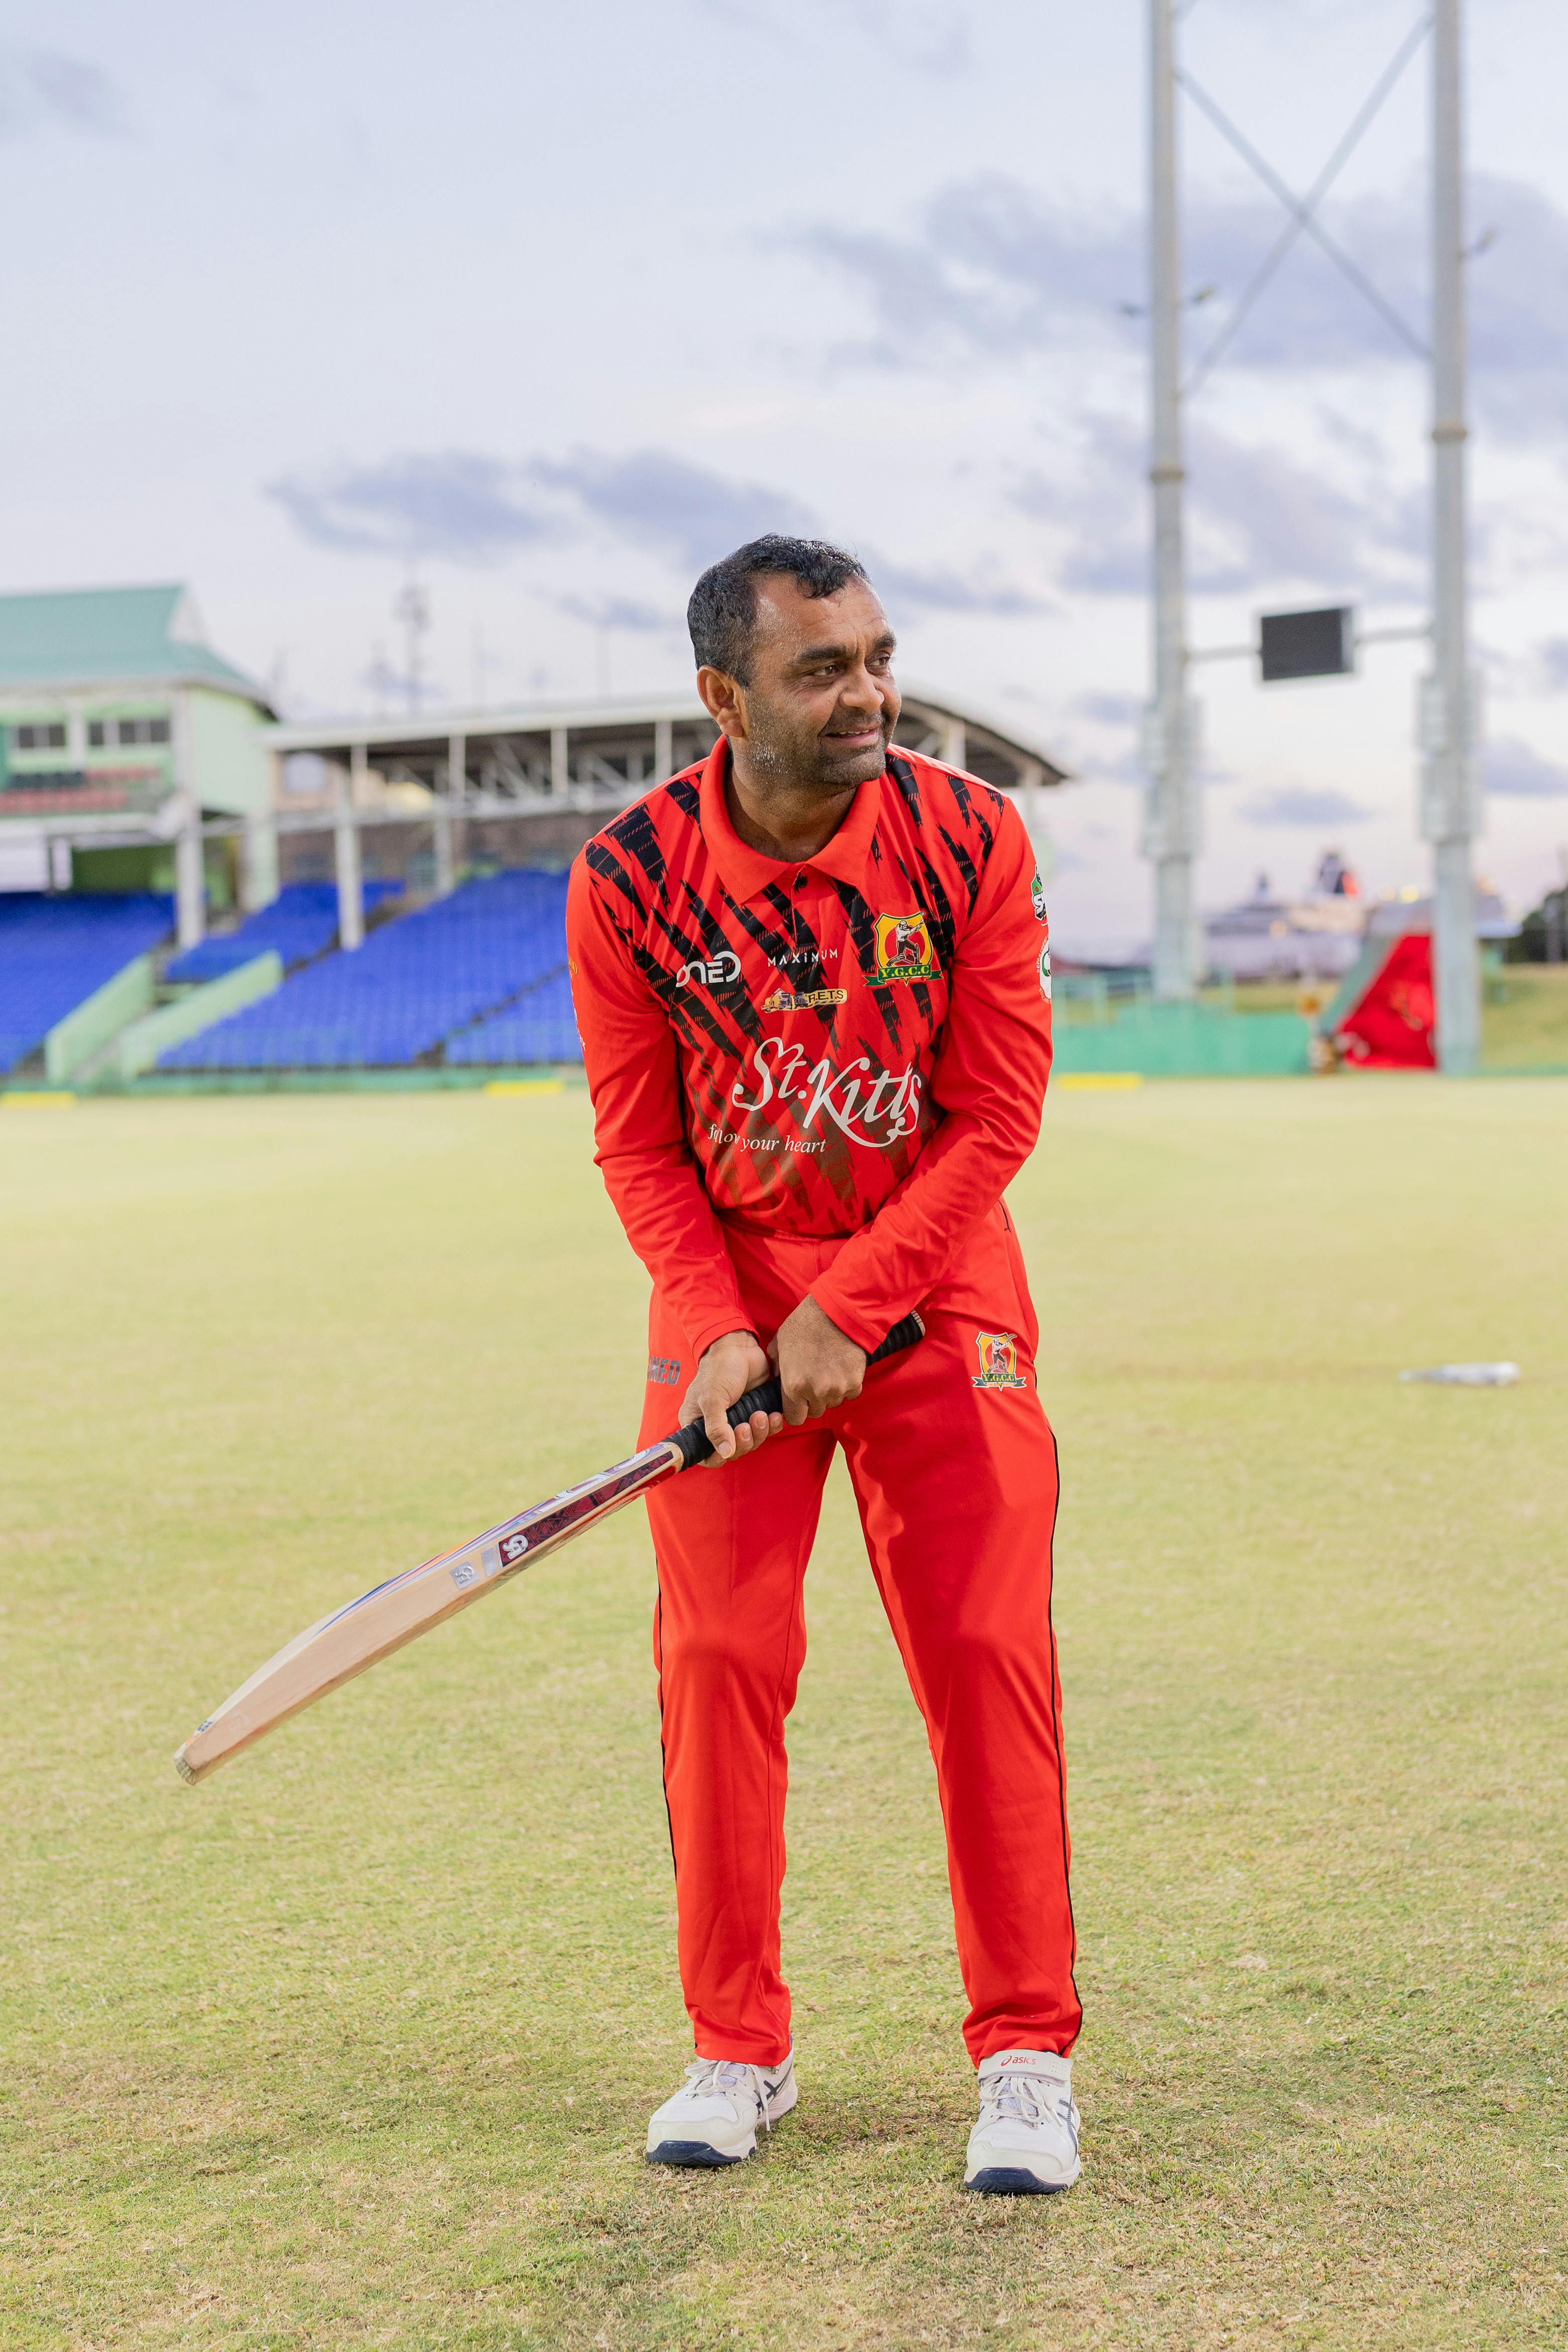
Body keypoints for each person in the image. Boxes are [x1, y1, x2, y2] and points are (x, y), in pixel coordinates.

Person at [566, 536, 1080, 2194]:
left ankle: (1020, 2053)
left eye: (875, 654)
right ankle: (737, 2043)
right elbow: (639, 1149)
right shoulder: (627, 877)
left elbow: (995, 1111)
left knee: (985, 1647)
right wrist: (721, 1323)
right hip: (725, 1312)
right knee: (715, 1659)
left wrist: (854, 1307)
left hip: (928, 1291)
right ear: (724, 695)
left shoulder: (966, 835)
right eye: (821, 668)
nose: (869, 691)